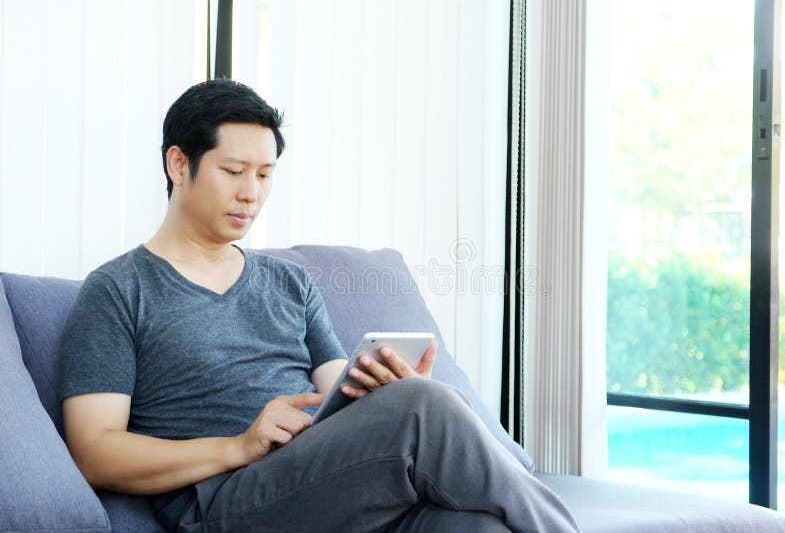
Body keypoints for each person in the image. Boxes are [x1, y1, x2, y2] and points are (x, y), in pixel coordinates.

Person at [58, 79, 579, 532]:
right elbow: (94, 452)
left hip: (328, 483)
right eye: (234, 170)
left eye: (264, 175)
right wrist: (239, 445)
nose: (251, 194)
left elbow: (338, 393)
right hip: (226, 504)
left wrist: (386, 393)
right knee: (428, 405)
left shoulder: (289, 282)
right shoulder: (119, 289)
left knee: (475, 523)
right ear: (179, 163)